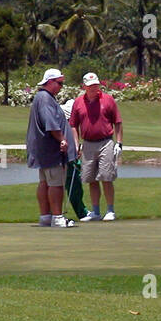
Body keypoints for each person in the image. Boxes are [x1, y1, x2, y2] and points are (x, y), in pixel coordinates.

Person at [69, 71, 123, 221]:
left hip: (106, 142)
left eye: (96, 85)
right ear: (84, 86)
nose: (95, 88)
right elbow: (73, 125)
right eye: (91, 86)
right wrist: (76, 144)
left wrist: (119, 143)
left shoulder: (108, 100)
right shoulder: (78, 102)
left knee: (106, 177)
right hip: (88, 144)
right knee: (91, 179)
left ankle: (110, 210)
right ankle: (96, 212)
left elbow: (117, 122)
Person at [26, 68, 76, 227]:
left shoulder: (43, 98)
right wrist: (62, 139)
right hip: (51, 150)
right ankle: (57, 218)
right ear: (50, 82)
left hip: (44, 150)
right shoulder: (45, 98)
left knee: (45, 183)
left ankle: (46, 217)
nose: (61, 87)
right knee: (55, 184)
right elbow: (51, 123)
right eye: (59, 83)